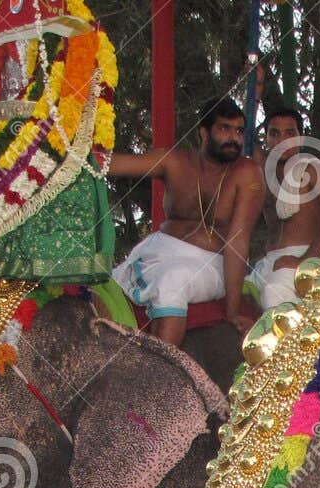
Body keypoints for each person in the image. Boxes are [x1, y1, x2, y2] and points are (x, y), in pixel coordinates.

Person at [109, 99, 264, 342]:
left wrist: (233, 311)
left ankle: (162, 375)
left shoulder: (247, 173)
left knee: (173, 281)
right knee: (104, 286)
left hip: (209, 264)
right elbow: (119, 164)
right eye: (224, 128)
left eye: (239, 131)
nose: (234, 138)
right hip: (157, 250)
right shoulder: (176, 161)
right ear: (204, 133)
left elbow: (238, 241)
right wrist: (72, 153)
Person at [247, 101, 320, 309]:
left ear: (301, 138)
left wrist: (304, 261)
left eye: (289, 133)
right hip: (267, 263)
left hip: (301, 259)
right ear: (266, 139)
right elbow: (246, 137)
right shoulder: (263, 170)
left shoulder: (311, 169)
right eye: (274, 134)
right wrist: (253, 93)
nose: (282, 140)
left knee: (272, 296)